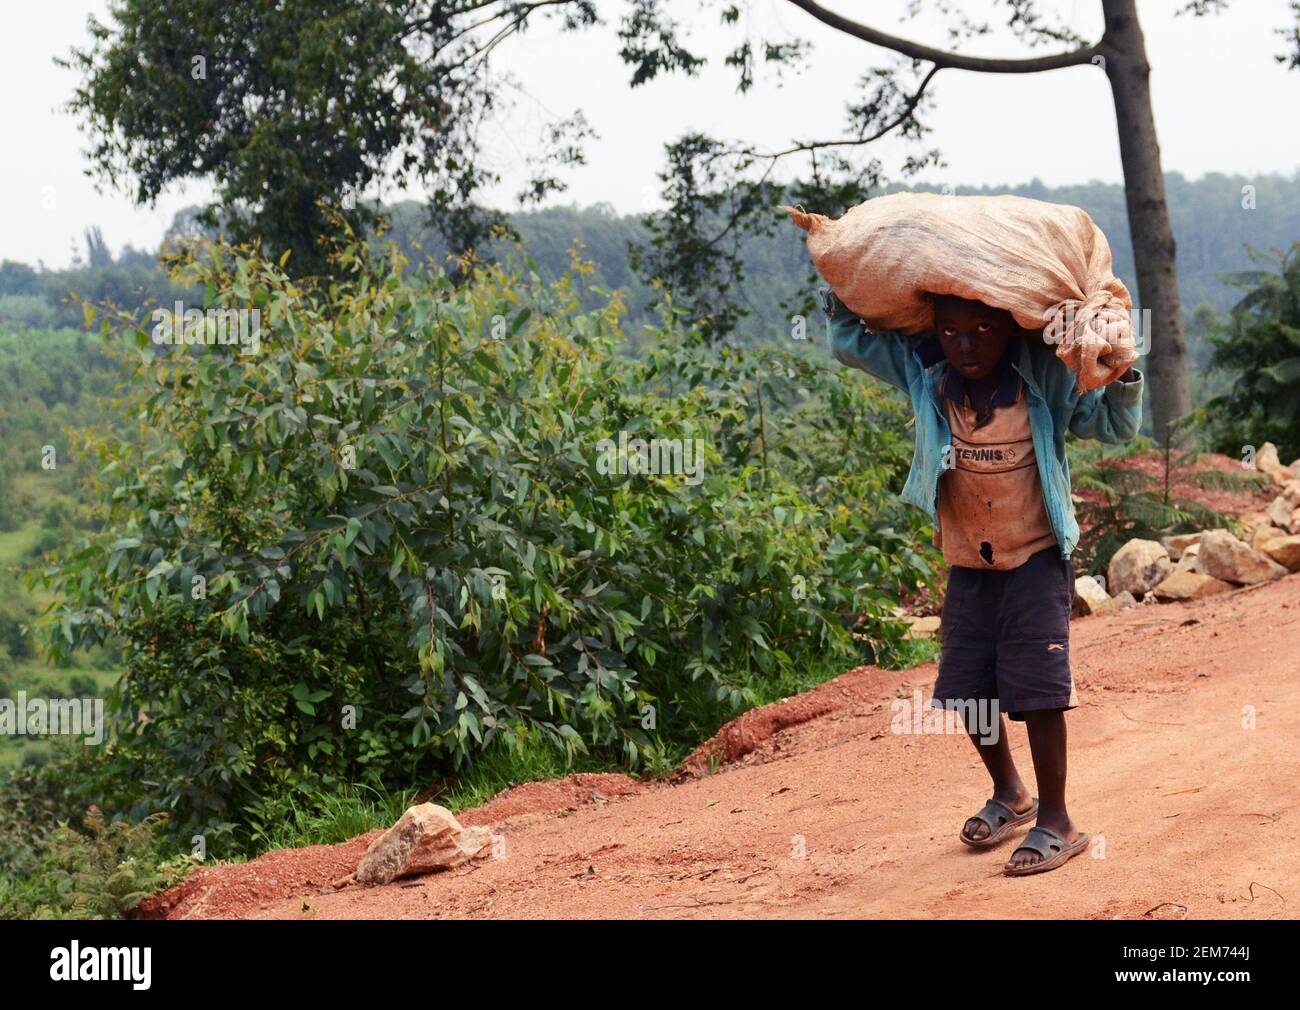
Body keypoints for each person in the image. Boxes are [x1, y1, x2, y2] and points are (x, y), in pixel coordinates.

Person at [823, 287, 1143, 875]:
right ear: (935, 331)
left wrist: (1121, 369)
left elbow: (1115, 425)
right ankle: (1012, 794)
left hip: (1037, 556)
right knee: (967, 688)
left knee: (1040, 692)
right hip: (969, 558)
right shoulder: (927, 371)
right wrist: (844, 290)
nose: (966, 345)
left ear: (1010, 330)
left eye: (983, 330)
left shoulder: (1043, 375)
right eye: (950, 331)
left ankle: (1058, 821)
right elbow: (850, 344)